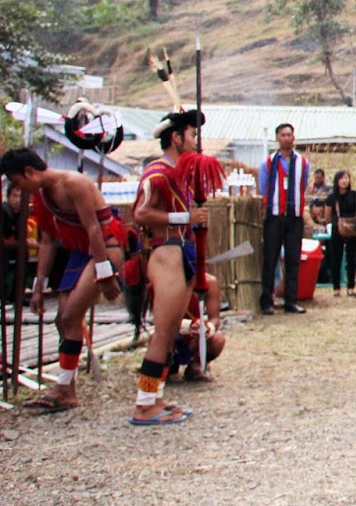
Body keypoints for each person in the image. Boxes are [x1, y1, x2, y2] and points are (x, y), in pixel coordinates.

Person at [0, 150, 128, 413]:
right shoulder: (42, 194)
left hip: (103, 247)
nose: (18, 188)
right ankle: (66, 389)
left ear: (29, 173)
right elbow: (47, 241)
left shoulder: (74, 183)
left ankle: (62, 387)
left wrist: (105, 273)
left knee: (70, 317)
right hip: (80, 252)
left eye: (17, 181)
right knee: (62, 320)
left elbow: (93, 228)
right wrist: (38, 286)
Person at [127, 108, 222, 425]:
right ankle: (143, 404)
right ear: (176, 137)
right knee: (163, 332)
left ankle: (155, 395)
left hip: (181, 250)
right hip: (165, 251)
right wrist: (184, 218)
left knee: (168, 334)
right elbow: (140, 214)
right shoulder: (157, 173)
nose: (196, 141)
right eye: (192, 135)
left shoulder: (179, 173)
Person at [256, 123, 310, 314]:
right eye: (283, 135)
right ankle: (267, 301)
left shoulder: (303, 163)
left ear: (294, 138)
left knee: (293, 259)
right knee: (270, 259)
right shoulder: (268, 162)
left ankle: (291, 301)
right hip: (274, 216)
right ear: (277, 138)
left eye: (290, 135)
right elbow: (263, 188)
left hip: (294, 216)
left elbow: (303, 185)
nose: (287, 138)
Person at [169, 271, 226, 382]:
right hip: (171, 335)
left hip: (195, 336)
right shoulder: (166, 281)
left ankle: (196, 366)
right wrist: (187, 327)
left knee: (217, 340)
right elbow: (162, 321)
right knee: (157, 341)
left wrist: (207, 328)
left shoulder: (209, 282)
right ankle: (150, 391)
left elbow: (214, 319)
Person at [326, 170, 356, 296]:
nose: (344, 181)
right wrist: (336, 224)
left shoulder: (355, 195)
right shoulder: (332, 197)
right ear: (337, 181)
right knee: (336, 258)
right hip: (337, 229)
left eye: (346, 178)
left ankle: (351, 287)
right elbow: (328, 215)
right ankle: (336, 287)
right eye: (341, 178)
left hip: (352, 228)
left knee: (352, 258)